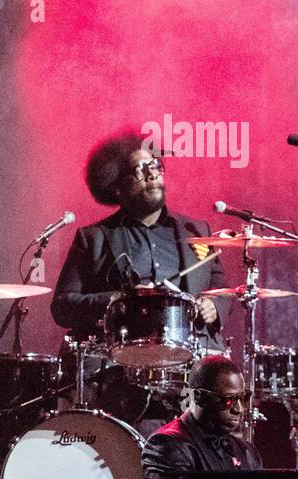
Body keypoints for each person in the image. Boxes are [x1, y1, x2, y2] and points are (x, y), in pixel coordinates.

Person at [52, 129, 228, 345]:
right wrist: (117, 300)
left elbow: (223, 288)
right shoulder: (93, 238)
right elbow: (63, 306)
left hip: (190, 356)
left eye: (156, 167)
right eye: (140, 170)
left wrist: (214, 304)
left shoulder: (197, 231)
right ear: (117, 187)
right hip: (118, 358)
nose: (152, 174)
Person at [142, 354, 263, 479]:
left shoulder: (247, 451)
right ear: (198, 397)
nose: (240, 409)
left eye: (243, 398)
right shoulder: (165, 445)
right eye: (228, 400)